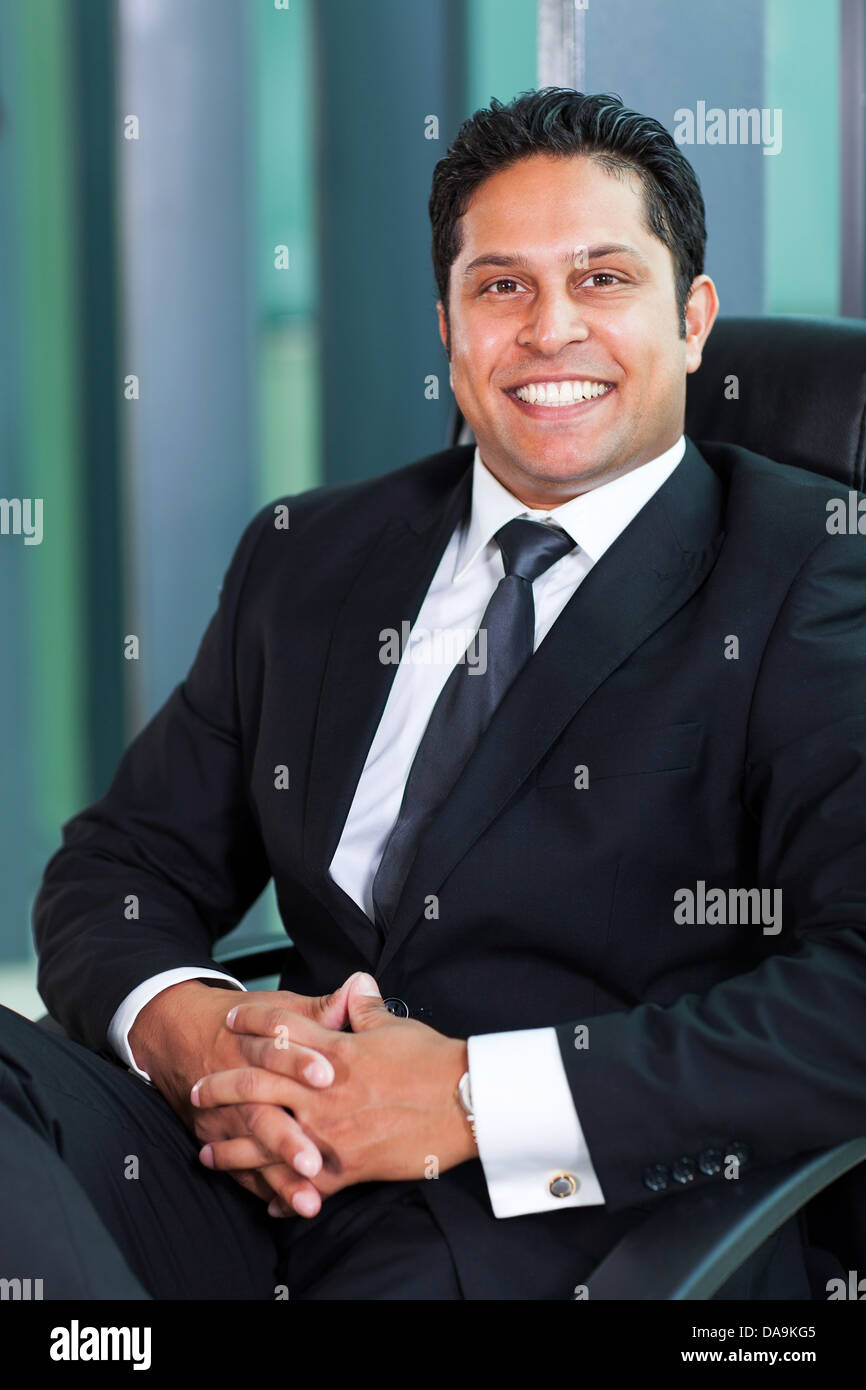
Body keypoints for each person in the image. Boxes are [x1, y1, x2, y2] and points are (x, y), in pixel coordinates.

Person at [4, 88, 865, 1301]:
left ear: (691, 321)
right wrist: (198, 1036)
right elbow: (117, 865)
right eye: (499, 285)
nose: (548, 327)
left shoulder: (809, 567)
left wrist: (465, 1100)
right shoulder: (310, 552)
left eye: (604, 278)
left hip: (552, 1219)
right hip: (243, 1158)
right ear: (449, 327)